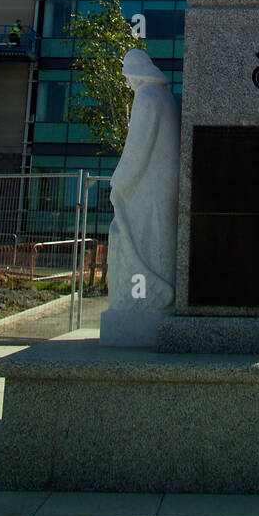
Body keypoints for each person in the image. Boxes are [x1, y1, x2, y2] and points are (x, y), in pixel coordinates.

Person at [100, 48, 180, 347]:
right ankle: (155, 291)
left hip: (146, 187)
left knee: (142, 238)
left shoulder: (147, 98)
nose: (128, 84)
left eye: (128, 77)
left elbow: (137, 149)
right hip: (156, 186)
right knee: (156, 237)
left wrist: (118, 181)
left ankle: (149, 294)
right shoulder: (164, 98)